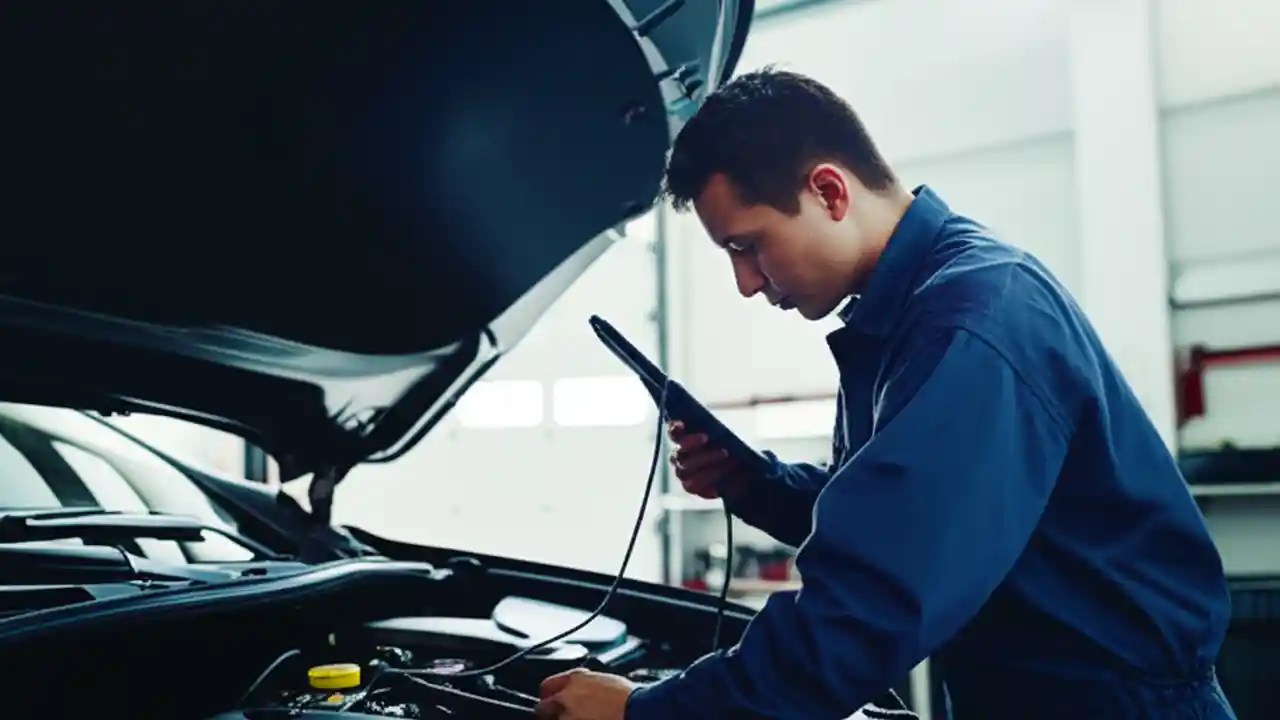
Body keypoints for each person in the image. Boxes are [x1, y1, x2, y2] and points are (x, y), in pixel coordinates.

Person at [534, 68, 1237, 720]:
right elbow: (896, 512)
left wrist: (645, 711)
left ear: (830, 192)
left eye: (747, 247)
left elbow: (870, 604)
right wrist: (757, 484)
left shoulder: (973, 319)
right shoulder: (910, 311)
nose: (745, 283)